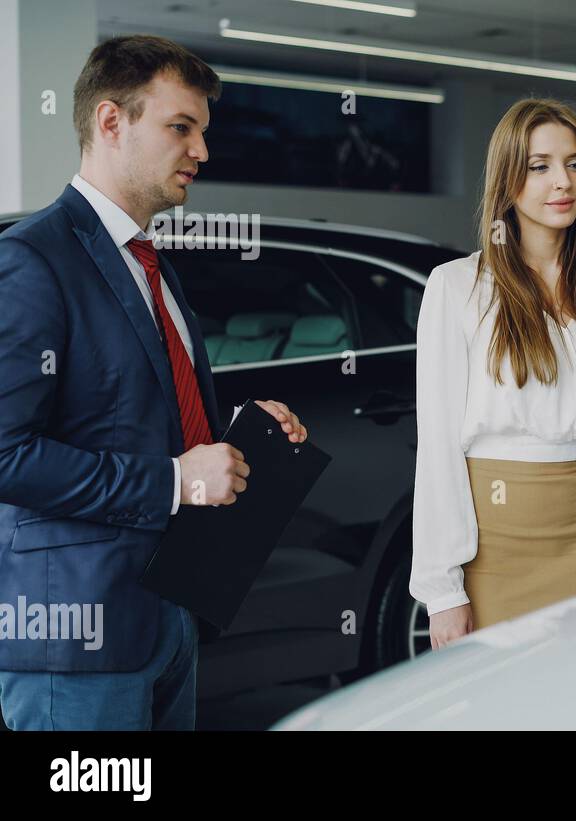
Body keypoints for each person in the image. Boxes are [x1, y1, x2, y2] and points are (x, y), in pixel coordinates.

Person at [0, 35, 307, 730]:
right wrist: (173, 480)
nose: (201, 150)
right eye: (181, 128)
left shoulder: (152, 267)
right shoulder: (32, 262)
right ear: (111, 122)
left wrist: (240, 432)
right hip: (75, 636)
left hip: (169, 615)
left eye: (202, 131)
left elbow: (142, 419)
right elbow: (5, 452)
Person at [411, 99, 576, 648]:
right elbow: (437, 444)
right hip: (501, 540)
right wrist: (443, 592)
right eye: (539, 167)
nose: (563, 181)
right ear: (507, 179)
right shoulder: (458, 284)